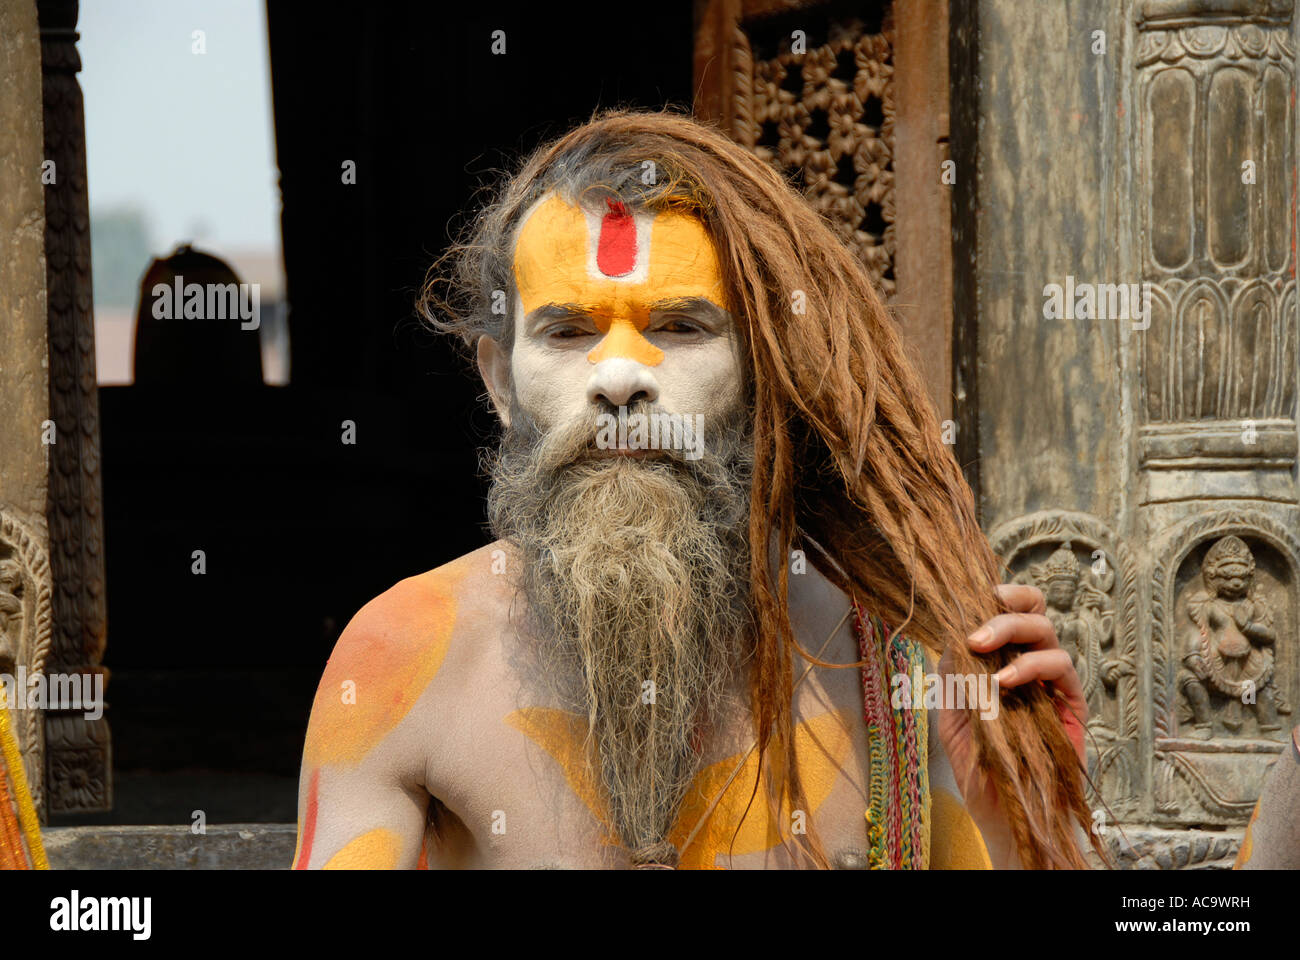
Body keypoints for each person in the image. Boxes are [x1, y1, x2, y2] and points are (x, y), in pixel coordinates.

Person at [292, 109, 1096, 870]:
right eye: (567, 331)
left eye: (680, 326)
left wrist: (1026, 815)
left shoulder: (904, 661)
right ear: (499, 381)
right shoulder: (402, 658)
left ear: (763, 370)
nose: (618, 378)